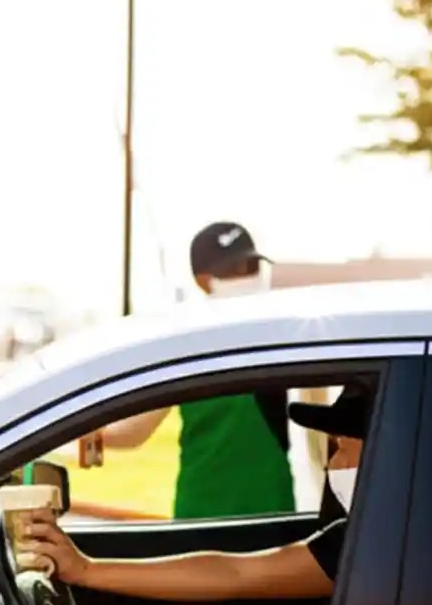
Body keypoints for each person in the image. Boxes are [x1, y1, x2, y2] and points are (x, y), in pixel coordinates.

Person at [22, 384, 371, 602]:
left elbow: (237, 576)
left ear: (381, 455)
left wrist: (85, 570)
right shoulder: (358, 543)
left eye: (341, 446)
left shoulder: (371, 549)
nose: (331, 462)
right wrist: (85, 569)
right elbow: (233, 573)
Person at [94, 221, 296, 518]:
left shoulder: (289, 338)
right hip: (203, 516)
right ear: (203, 281)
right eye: (234, 269)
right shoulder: (187, 347)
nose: (248, 276)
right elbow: (133, 431)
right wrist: (77, 434)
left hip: (273, 514)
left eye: (252, 266)